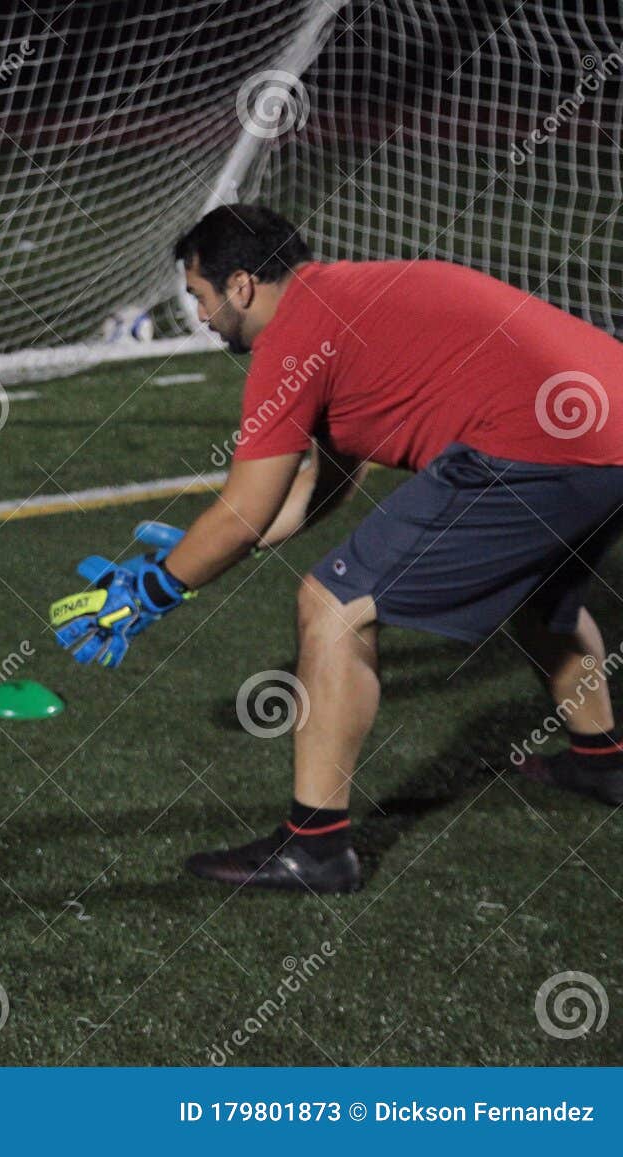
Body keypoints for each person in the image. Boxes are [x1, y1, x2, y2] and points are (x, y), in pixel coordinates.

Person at [51, 204, 623, 893]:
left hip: (540, 448)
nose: (198, 316)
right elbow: (331, 475)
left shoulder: (292, 340)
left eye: (198, 297)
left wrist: (153, 588)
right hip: (603, 434)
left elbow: (239, 511)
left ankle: (316, 846)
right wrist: (244, 538)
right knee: (543, 595)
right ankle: (602, 757)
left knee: (334, 605)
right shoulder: (339, 298)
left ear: (240, 286)